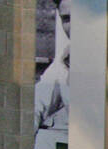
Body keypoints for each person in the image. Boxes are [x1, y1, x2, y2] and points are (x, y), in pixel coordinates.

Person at [34, 0, 71, 133]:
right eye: (67, 19)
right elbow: (38, 102)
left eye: (80, 18)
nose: (74, 26)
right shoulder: (64, 60)